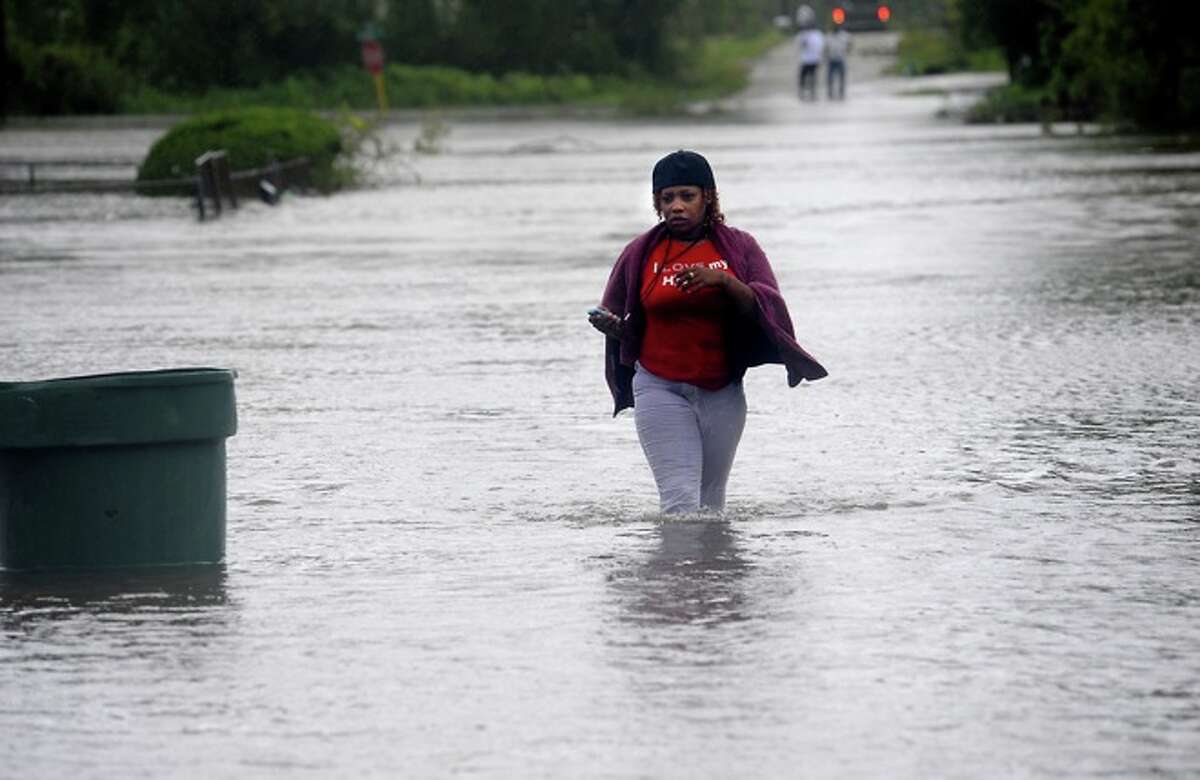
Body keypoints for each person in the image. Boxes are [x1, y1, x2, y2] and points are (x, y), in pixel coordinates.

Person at [588, 150, 827, 514]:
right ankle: (676, 554)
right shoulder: (640, 252)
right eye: (667, 198)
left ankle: (713, 554)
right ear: (657, 203)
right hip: (658, 385)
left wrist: (723, 281)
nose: (676, 206)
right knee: (680, 501)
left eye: (687, 196)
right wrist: (613, 326)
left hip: (722, 388)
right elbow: (622, 318)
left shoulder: (739, 247)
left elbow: (768, 307)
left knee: (711, 503)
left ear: (708, 198)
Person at [796, 24, 825, 101]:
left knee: (813, 77)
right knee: (803, 77)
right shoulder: (804, 34)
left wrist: (820, 58)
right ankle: (802, 92)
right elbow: (800, 44)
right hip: (806, 60)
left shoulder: (817, 35)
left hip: (813, 60)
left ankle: (812, 92)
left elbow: (821, 47)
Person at [826, 25, 851, 100]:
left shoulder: (844, 35)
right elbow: (825, 47)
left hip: (841, 59)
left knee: (841, 77)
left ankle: (841, 93)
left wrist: (846, 50)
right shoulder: (829, 36)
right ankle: (830, 93)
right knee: (830, 78)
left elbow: (850, 43)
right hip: (831, 59)